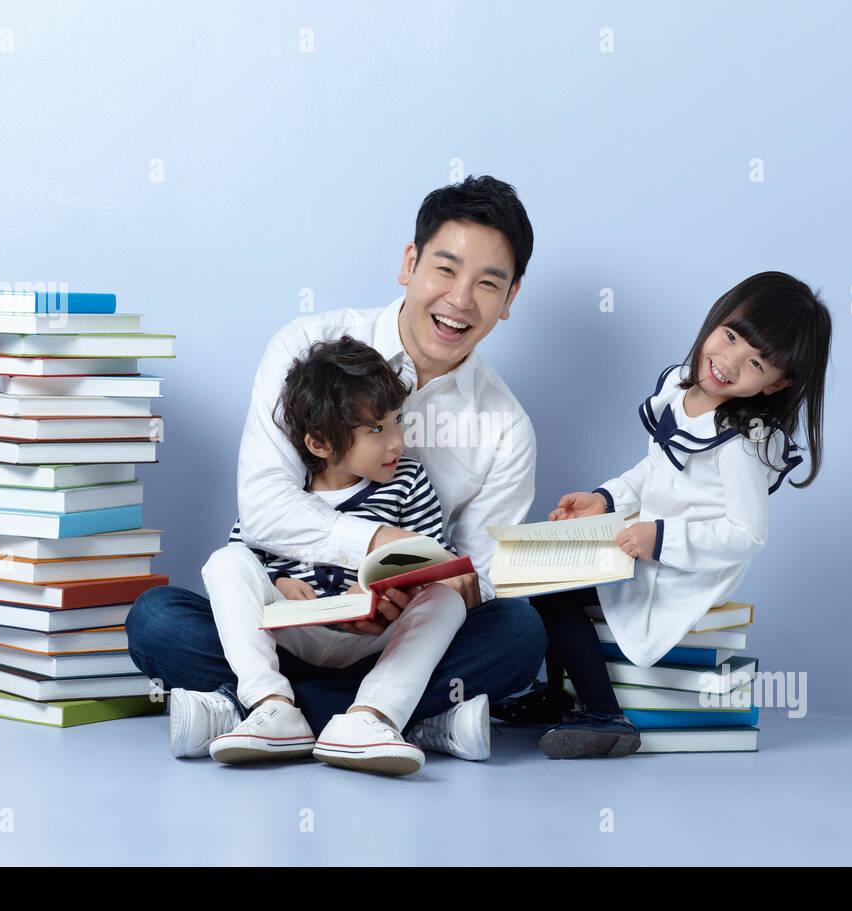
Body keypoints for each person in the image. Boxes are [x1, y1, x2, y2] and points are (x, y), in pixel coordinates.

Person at [126, 174, 546, 765]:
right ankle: (395, 720)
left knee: (519, 633)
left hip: (395, 649)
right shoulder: (306, 347)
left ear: (510, 300)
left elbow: (480, 578)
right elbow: (263, 509)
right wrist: (371, 545)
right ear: (410, 262)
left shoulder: (505, 426)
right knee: (156, 620)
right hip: (277, 628)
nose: (459, 300)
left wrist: (420, 588)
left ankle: (264, 712)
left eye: (488, 284)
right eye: (445, 269)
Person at [495, 272, 833, 759]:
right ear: (717, 319)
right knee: (545, 575)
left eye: (756, 361)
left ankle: (605, 714)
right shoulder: (680, 389)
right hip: (645, 541)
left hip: (682, 565)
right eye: (731, 336)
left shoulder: (740, 444)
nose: (729, 362)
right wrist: (605, 500)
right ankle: (559, 692)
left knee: (558, 593)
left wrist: (661, 539)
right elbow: (655, 467)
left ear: (776, 383)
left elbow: (746, 534)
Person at [200, 337, 467, 776]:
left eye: (397, 421)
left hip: (376, 640)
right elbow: (244, 558)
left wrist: (393, 589)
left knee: (454, 603)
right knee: (214, 571)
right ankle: (273, 705)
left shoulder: (409, 482)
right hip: (292, 636)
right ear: (321, 443)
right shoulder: (284, 492)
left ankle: (371, 716)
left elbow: (429, 558)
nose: (396, 441)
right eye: (376, 430)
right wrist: (280, 584)